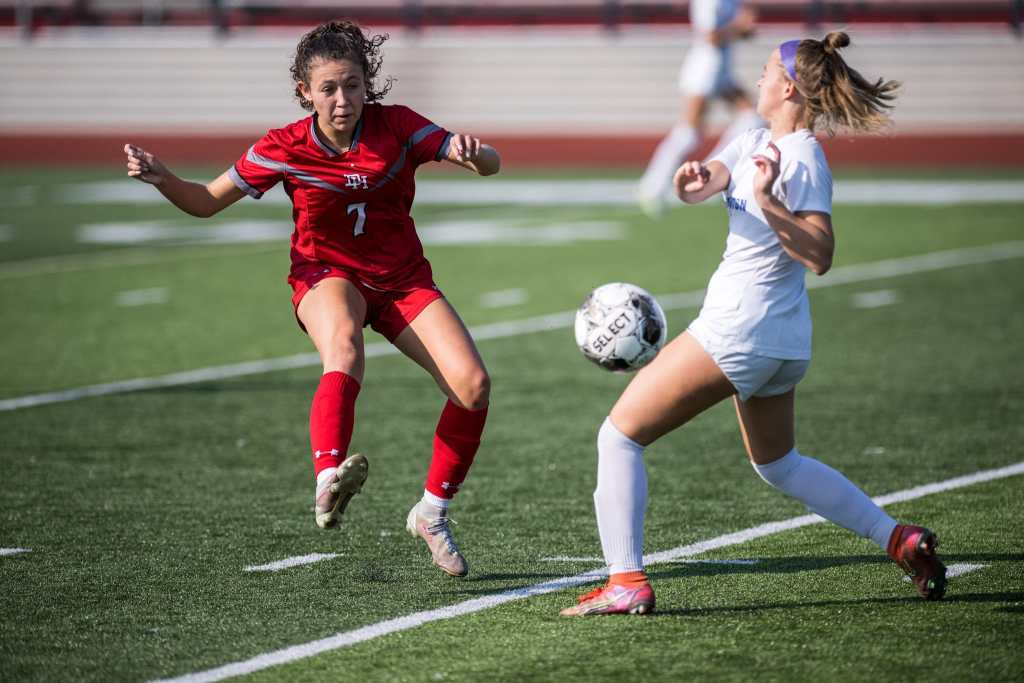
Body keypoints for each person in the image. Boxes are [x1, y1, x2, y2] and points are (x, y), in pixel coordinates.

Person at [562, 32, 946, 616]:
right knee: (778, 464)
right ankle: (898, 539)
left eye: (768, 69)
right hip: (780, 340)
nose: (759, 77)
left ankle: (626, 581)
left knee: (618, 436)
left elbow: (819, 254)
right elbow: (710, 180)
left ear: (788, 86)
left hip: (739, 330)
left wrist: (770, 202)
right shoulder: (753, 139)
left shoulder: (805, 158)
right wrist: (689, 182)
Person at [123, 20, 501, 579]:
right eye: (328, 88)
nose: (342, 99)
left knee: (473, 386)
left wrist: (476, 154)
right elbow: (205, 202)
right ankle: (327, 476)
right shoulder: (283, 146)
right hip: (326, 275)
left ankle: (432, 513)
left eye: (352, 84)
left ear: (367, 82)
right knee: (344, 348)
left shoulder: (396, 126)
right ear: (305, 91)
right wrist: (162, 178)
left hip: (401, 280)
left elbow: (488, 163)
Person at [636, 0, 763, 217]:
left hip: (722, 70)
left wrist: (746, 29)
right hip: (704, 69)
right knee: (688, 133)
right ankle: (651, 188)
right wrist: (738, 27)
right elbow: (710, 36)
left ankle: (711, 173)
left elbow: (733, 33)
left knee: (752, 117)